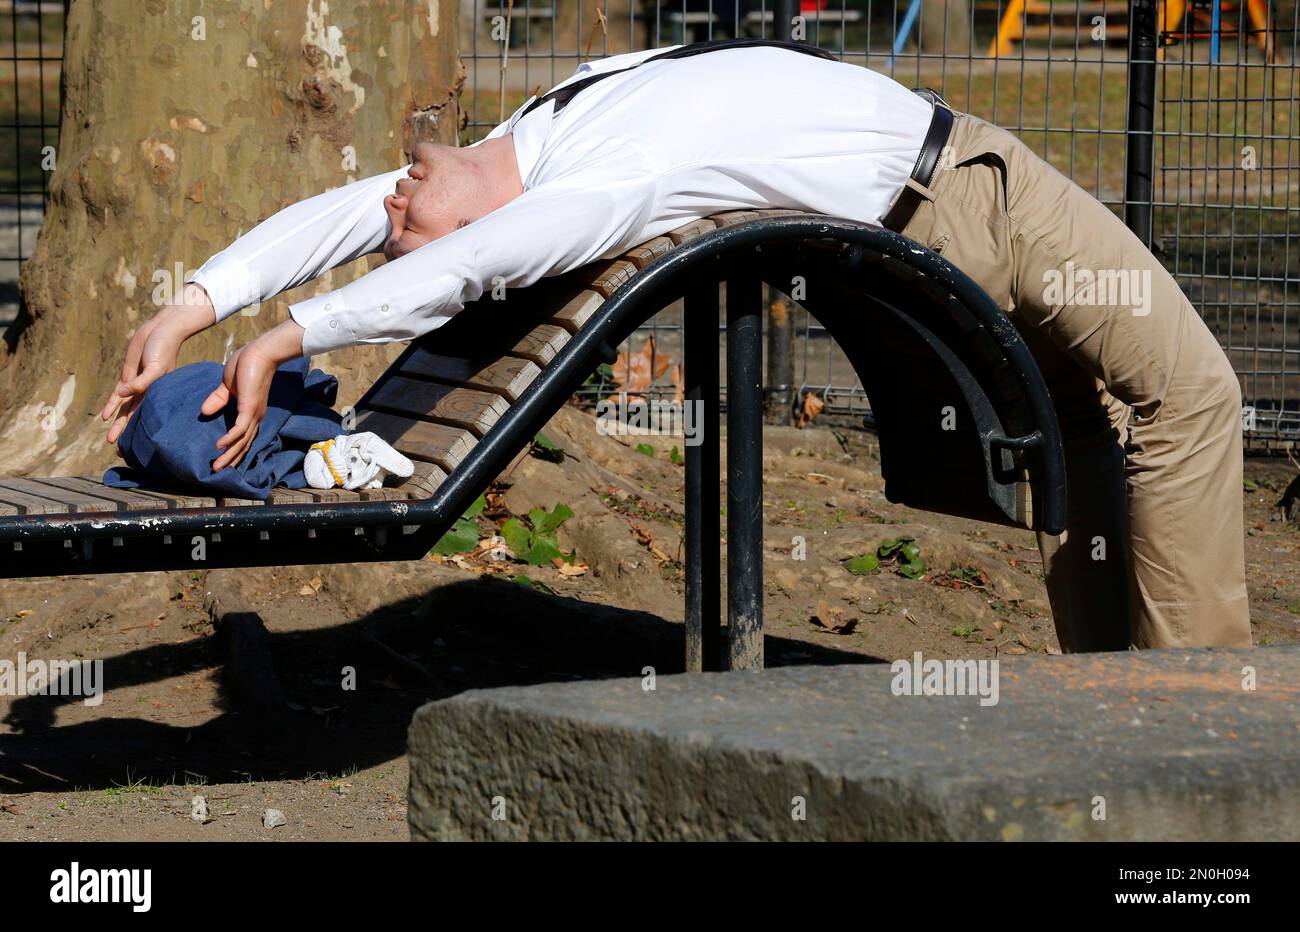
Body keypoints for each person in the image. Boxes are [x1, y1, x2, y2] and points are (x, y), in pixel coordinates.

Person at [100, 39, 1251, 651]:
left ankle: (1124, 704)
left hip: (951, 196)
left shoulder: (530, 144)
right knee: (1195, 395)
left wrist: (202, 303)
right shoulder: (584, 194)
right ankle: (1199, 723)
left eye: (399, 208)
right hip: (970, 196)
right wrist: (295, 333)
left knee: (1103, 427)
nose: (392, 204)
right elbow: (456, 265)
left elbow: (353, 210)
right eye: (404, 231)